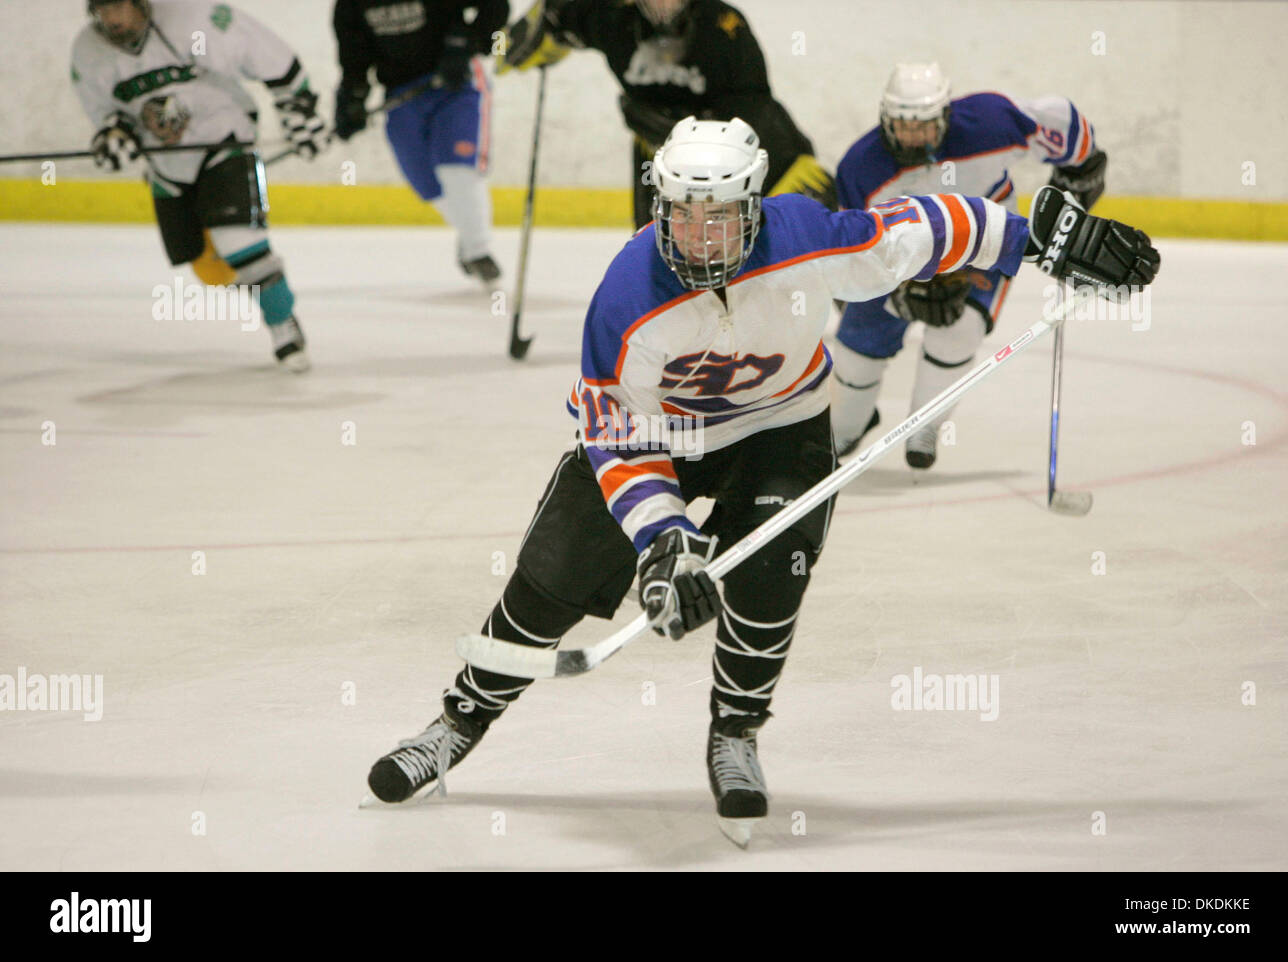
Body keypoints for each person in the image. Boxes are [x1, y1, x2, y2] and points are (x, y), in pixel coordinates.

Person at [363, 117, 1158, 846]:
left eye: (718, 217)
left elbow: (924, 228)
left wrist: (1045, 240)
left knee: (770, 575)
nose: (698, 236)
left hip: (781, 426)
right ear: (658, 204)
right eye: (681, 213)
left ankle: (735, 733)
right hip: (663, 436)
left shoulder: (807, 240)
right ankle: (458, 721)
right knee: (551, 578)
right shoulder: (625, 297)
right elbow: (618, 437)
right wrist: (666, 543)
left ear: (752, 209)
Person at [830, 62, 1110, 465]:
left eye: (923, 124)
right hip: (896, 263)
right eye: (902, 124)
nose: (912, 135)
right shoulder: (860, 167)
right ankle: (844, 429)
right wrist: (896, 290)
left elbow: (1063, 122)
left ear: (945, 114)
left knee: (960, 329)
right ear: (885, 119)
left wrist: (1082, 168)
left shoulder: (990, 123)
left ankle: (923, 427)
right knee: (856, 356)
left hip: (986, 245)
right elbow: (853, 252)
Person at [72, 0, 326, 371]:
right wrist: (115, 135)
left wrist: (299, 109)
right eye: (103, 10)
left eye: (119, 7)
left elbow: (268, 55)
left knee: (238, 242)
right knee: (210, 269)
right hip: (167, 165)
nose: (112, 18)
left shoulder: (190, 18)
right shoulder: (87, 50)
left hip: (224, 136)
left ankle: (282, 324)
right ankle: (263, 287)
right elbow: (106, 112)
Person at [500, 0, 835, 227]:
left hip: (731, 151)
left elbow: (752, 104)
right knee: (654, 242)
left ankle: (857, 315)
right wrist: (533, 35)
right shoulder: (611, 18)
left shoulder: (723, 28)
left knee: (804, 211)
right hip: (657, 154)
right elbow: (554, 17)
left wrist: (691, 131)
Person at [333, 0, 508, 285]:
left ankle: (478, 250)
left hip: (456, 85)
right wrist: (352, 99)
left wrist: (466, 43)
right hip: (400, 94)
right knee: (425, 183)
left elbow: (496, 6)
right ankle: (469, 233)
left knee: (456, 168)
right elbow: (354, 56)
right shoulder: (349, 5)